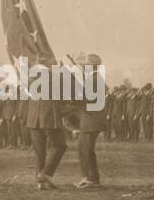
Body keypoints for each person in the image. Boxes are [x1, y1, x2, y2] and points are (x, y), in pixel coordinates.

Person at [24, 62, 67, 190]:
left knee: (39, 151)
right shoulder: (54, 77)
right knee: (60, 145)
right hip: (48, 115)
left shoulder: (30, 79)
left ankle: (40, 182)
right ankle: (45, 174)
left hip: (33, 117)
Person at [73, 53, 107, 188]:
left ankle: (88, 178)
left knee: (84, 149)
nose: (83, 66)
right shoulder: (95, 79)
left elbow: (84, 98)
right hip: (92, 120)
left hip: (91, 120)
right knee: (87, 149)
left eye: (86, 64)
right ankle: (93, 178)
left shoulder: (93, 80)